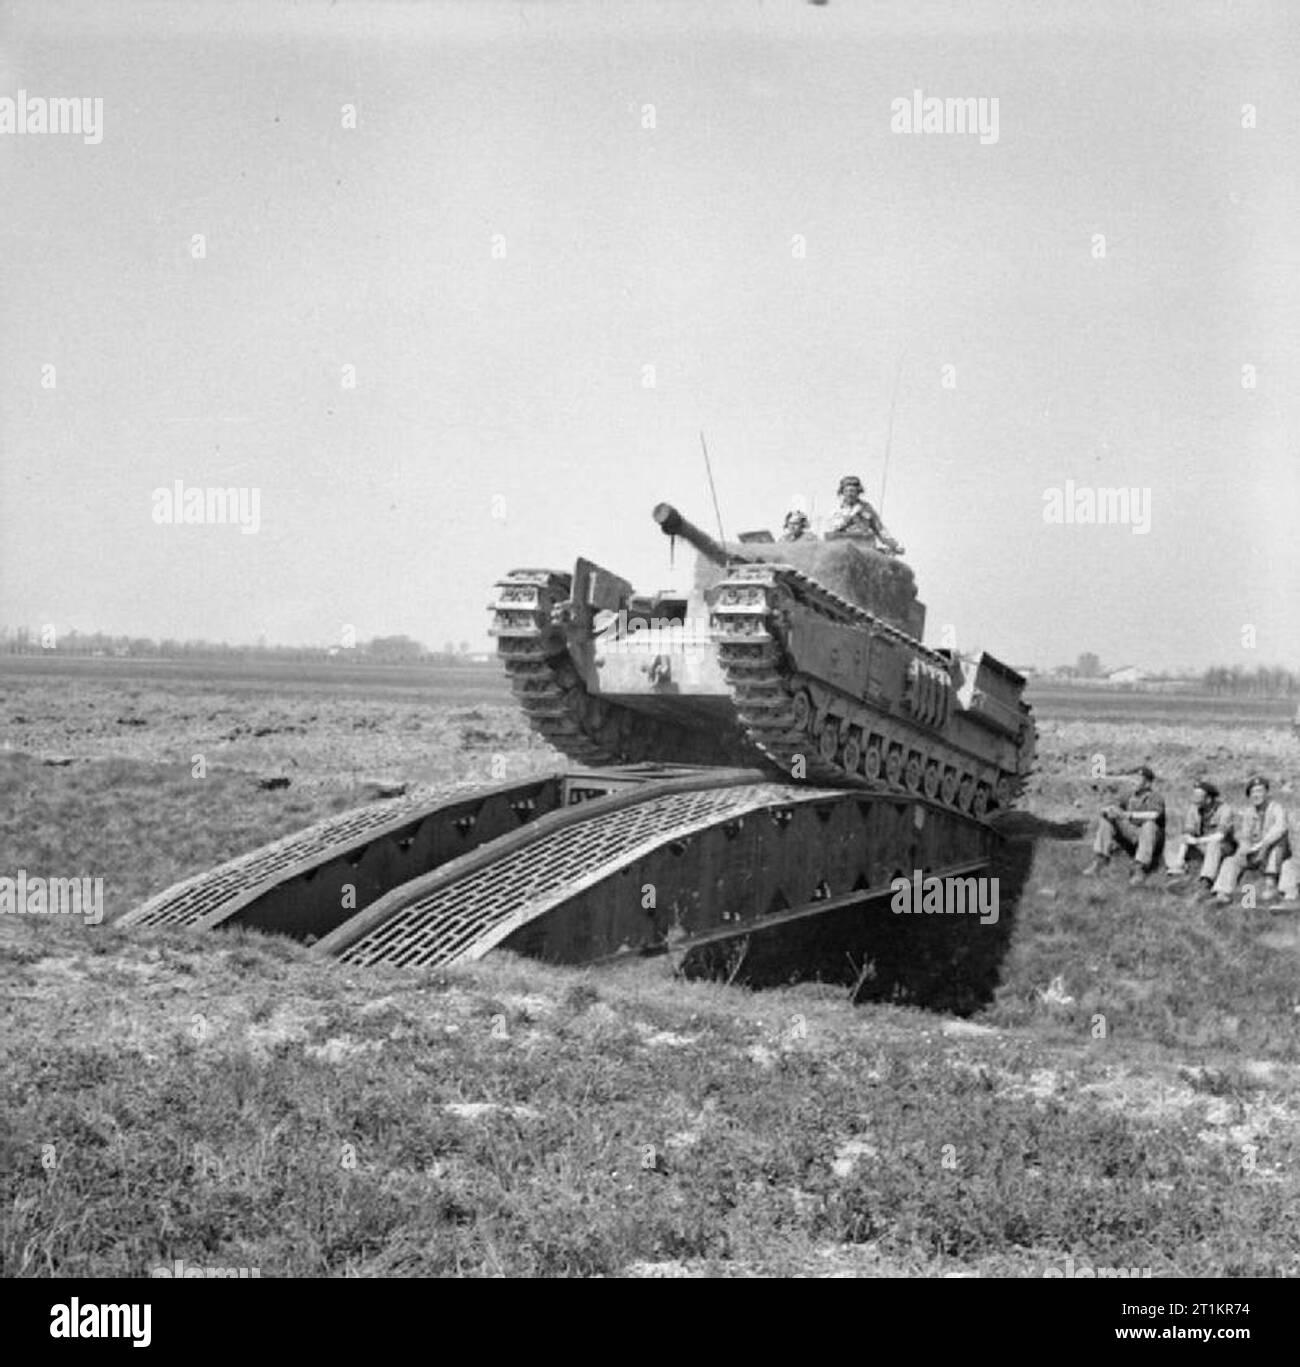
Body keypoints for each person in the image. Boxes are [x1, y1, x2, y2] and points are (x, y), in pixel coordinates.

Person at [1211, 776, 1291, 905]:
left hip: (1272, 853)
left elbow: (1280, 828)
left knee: (1279, 842)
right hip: (1255, 852)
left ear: (1267, 793)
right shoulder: (1249, 812)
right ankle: (1222, 893)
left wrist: (1264, 845)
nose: (1256, 795)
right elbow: (1245, 836)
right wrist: (1244, 850)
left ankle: (1270, 884)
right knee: (1231, 860)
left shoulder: (1276, 808)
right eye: (1253, 792)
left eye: (1260, 791)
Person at [1083, 765, 1166, 884]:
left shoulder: (1155, 796)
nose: (1134, 782)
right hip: (1132, 833)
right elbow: (1114, 805)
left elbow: (1155, 815)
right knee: (1108, 818)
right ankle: (1100, 859)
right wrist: (1109, 810)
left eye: (1138, 779)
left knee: (1149, 825)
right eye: (1133, 779)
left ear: (1147, 783)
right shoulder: (1129, 795)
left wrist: (1129, 815)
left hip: (1150, 837)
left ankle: (1140, 868)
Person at [1164, 779, 1232, 892]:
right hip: (1201, 844)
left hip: (1222, 846)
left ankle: (1206, 880)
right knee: (1173, 842)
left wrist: (1197, 841)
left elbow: (1220, 836)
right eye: (1194, 795)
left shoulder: (1224, 809)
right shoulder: (1194, 808)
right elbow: (1188, 830)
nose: (1195, 799)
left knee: (1213, 844)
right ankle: (1177, 869)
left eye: (1199, 796)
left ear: (1208, 798)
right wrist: (1186, 843)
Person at [824, 475, 904, 555]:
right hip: (841, 547)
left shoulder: (866, 508)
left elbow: (880, 529)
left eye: (853, 491)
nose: (850, 494)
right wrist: (850, 516)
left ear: (858, 492)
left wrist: (894, 545)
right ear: (842, 492)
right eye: (847, 491)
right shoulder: (836, 510)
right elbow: (831, 531)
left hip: (864, 546)